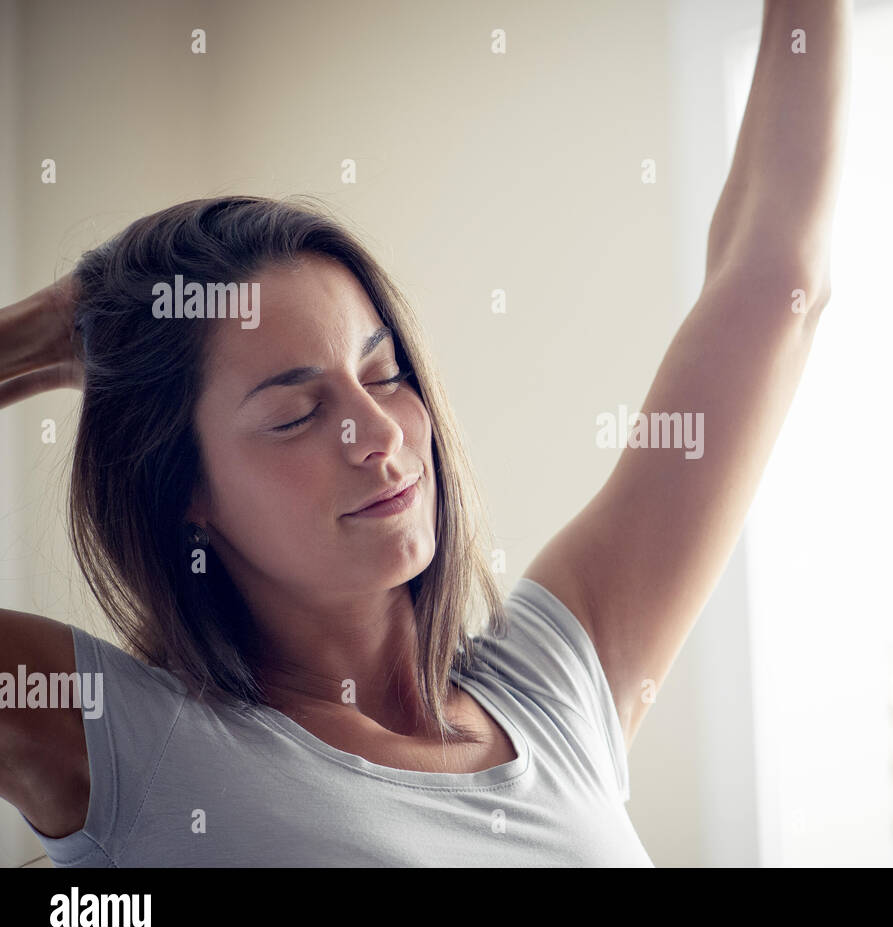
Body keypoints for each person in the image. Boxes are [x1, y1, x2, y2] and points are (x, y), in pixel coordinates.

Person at [0, 0, 850, 866]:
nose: (377, 433)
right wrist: (43, 329)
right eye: (297, 414)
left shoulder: (554, 687)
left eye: (385, 374)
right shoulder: (131, 744)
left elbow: (778, 287)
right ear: (185, 494)